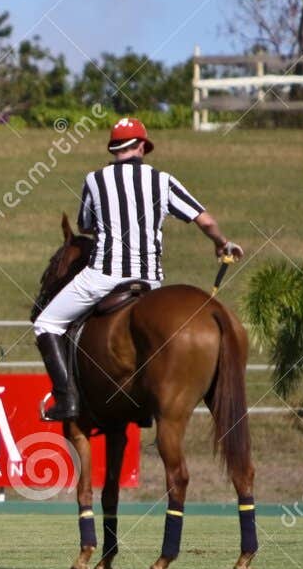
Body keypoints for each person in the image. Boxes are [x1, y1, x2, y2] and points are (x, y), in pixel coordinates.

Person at [33, 116, 242, 421]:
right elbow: (206, 220)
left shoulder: (94, 180)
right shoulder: (163, 180)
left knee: (46, 323)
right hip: (149, 281)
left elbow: (85, 225)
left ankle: (67, 401)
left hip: (104, 276)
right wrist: (222, 244)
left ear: (114, 149)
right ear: (142, 146)